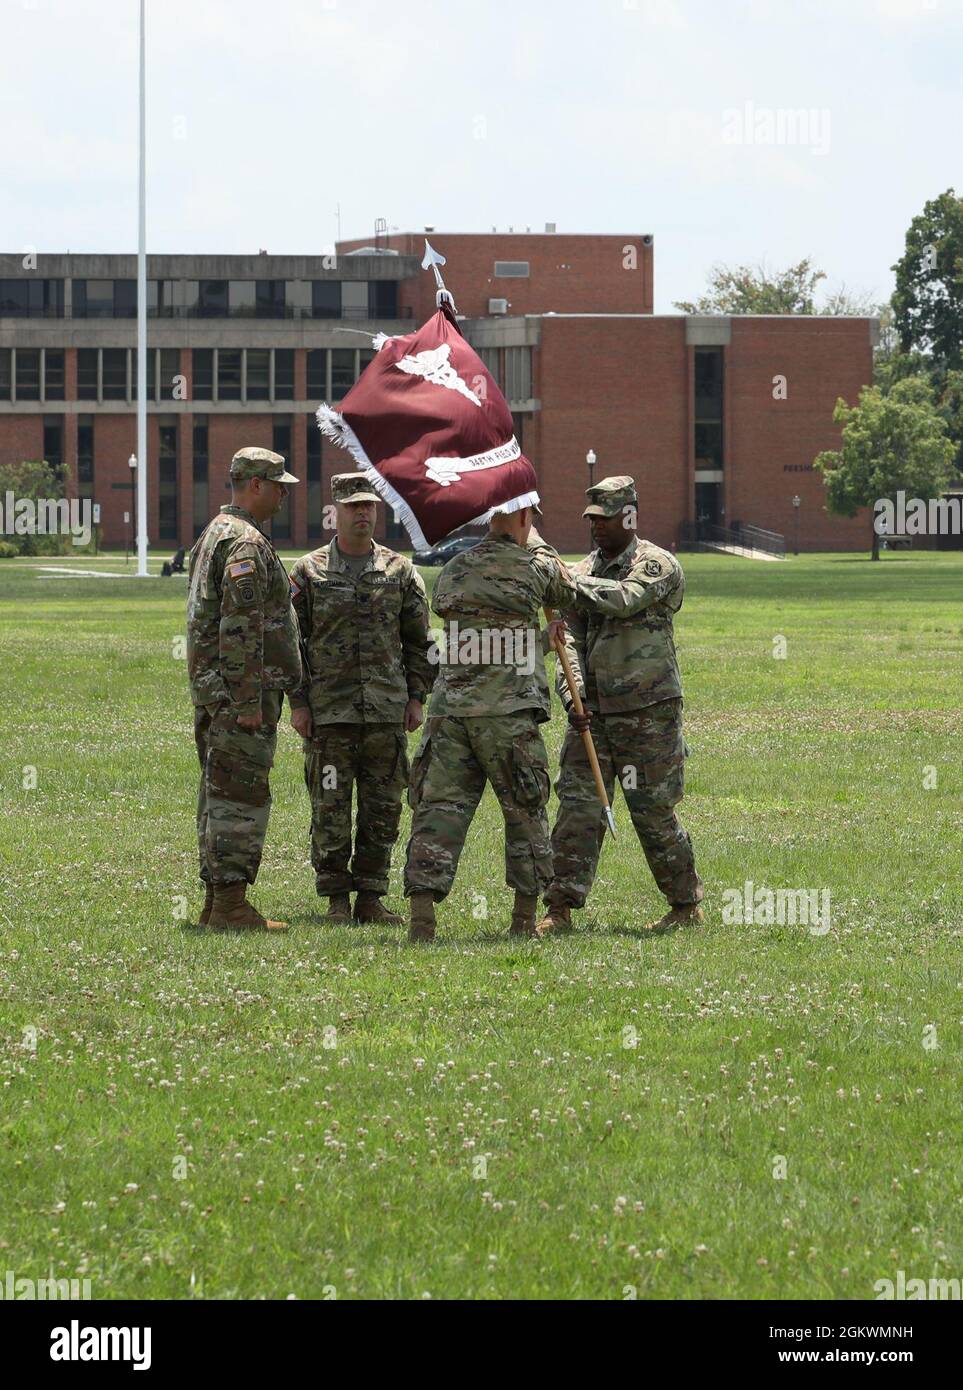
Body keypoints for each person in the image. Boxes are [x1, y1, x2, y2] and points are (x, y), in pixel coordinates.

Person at [537, 475, 704, 936]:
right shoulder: (581, 572)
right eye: (592, 519)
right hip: (592, 715)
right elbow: (566, 638)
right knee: (577, 809)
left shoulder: (656, 564)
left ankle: (685, 903)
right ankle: (560, 908)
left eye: (606, 519)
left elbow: (627, 600)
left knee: (652, 809)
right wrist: (572, 695)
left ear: (629, 516)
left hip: (649, 711)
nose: (597, 528)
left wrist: (566, 581)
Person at [403, 505, 572, 942]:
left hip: (451, 711)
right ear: (523, 519)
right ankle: (522, 920)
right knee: (524, 809)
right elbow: (565, 589)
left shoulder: (456, 568)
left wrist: (536, 641)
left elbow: (479, 634)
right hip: (507, 714)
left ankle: (421, 921)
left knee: (438, 811)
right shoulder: (534, 566)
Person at [288, 473, 433, 924]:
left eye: (370, 506)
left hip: (386, 714)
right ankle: (335, 897)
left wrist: (416, 697)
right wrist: (299, 703)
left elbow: (420, 640)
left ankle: (370, 896)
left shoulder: (400, 570)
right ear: (336, 511)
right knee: (329, 806)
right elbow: (292, 643)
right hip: (329, 714)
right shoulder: (308, 572)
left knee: (382, 807)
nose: (363, 514)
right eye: (354, 507)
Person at [187, 446, 302, 931]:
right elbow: (242, 626)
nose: (282, 496)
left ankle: (217, 903)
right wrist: (249, 700)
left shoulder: (215, 532)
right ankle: (231, 906)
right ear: (256, 485)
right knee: (241, 797)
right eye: (278, 486)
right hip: (239, 698)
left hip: (214, 693)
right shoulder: (246, 543)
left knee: (218, 793)